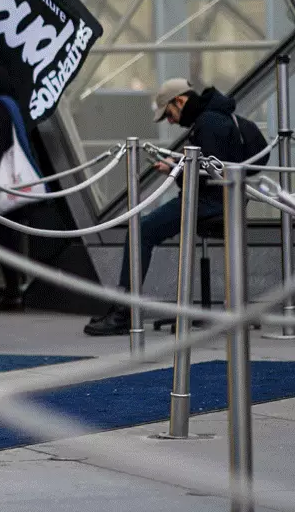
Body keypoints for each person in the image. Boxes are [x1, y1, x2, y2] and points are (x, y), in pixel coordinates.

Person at [85, 79, 267, 336]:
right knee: (144, 229)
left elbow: (208, 175)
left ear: (179, 101)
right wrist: (178, 164)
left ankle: (123, 312)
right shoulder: (217, 117)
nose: (169, 120)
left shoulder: (208, 123)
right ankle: (123, 308)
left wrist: (174, 170)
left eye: (168, 113)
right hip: (225, 202)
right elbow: (217, 163)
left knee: (141, 231)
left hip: (208, 204)